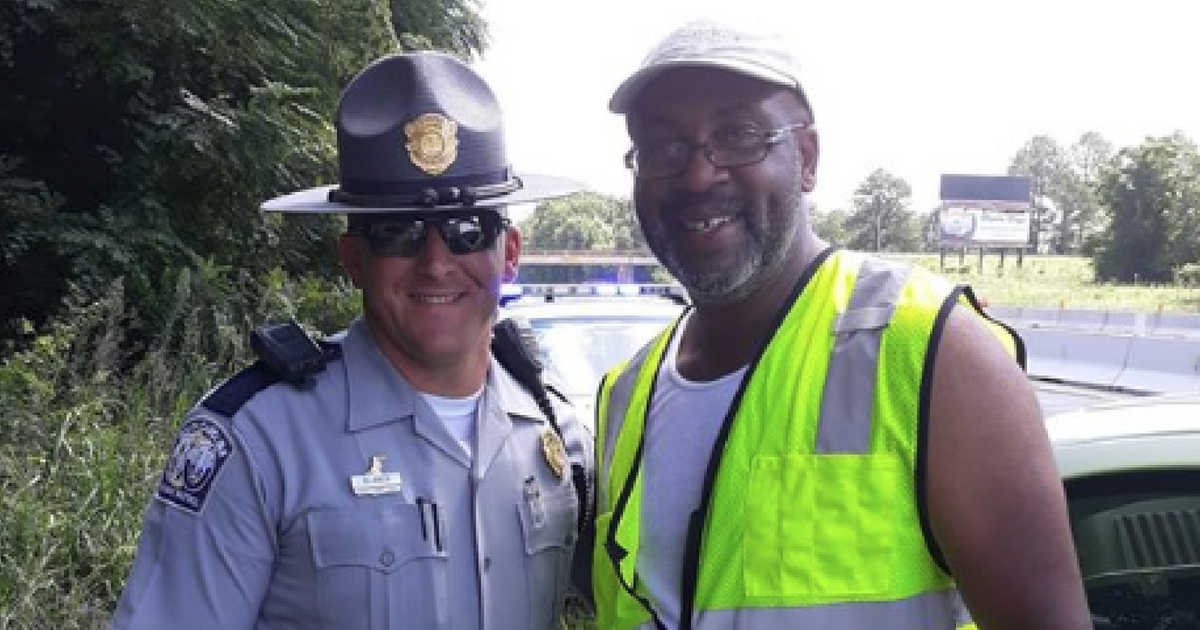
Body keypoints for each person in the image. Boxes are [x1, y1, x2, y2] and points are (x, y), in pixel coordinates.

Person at [590, 20, 1091, 630]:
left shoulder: (930, 352)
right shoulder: (625, 393)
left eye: (739, 135)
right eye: (664, 147)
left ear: (806, 158)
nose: (700, 174)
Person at [110, 51, 593, 630]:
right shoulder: (259, 443)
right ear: (354, 260)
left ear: (509, 253)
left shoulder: (557, 433)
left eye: (468, 231)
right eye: (398, 232)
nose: (436, 263)